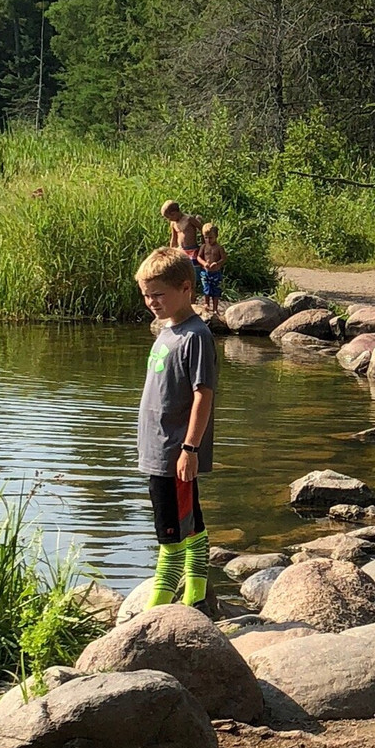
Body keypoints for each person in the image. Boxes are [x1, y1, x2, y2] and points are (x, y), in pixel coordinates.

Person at [135, 247, 218, 614]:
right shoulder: (168, 331)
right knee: (191, 522)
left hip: (174, 453)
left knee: (170, 533)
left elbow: (204, 395)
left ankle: (159, 609)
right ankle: (196, 595)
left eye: (158, 294)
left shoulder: (195, 336)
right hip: (156, 448)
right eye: (146, 294)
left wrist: (190, 449)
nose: (151, 301)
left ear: (186, 288)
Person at [197, 222, 227, 314]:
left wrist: (217, 263)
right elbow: (199, 257)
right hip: (205, 272)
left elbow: (224, 258)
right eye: (206, 238)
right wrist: (204, 263)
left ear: (216, 236)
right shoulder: (203, 247)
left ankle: (215, 308)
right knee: (206, 289)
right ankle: (206, 305)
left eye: (211, 238)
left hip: (215, 272)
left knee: (216, 291)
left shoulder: (219, 248)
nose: (208, 240)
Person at [161, 200, 200, 268]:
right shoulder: (173, 223)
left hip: (192, 249)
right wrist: (170, 251)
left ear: (174, 213)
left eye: (169, 217)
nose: (169, 220)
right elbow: (173, 238)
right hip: (181, 250)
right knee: (183, 269)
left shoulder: (189, 219)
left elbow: (202, 229)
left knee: (194, 268)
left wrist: (204, 245)